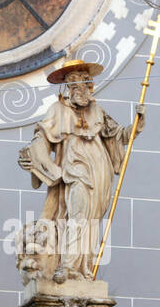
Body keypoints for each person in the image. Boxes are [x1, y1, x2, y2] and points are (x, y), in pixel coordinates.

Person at [18, 58, 144, 282]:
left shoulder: (98, 111)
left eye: (83, 81)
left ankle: (83, 268)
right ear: (67, 87)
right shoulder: (57, 110)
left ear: (90, 86)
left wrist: (137, 123)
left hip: (100, 174)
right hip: (74, 172)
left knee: (91, 220)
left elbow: (119, 136)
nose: (78, 87)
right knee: (77, 216)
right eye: (73, 82)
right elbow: (40, 139)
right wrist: (35, 161)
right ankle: (67, 266)